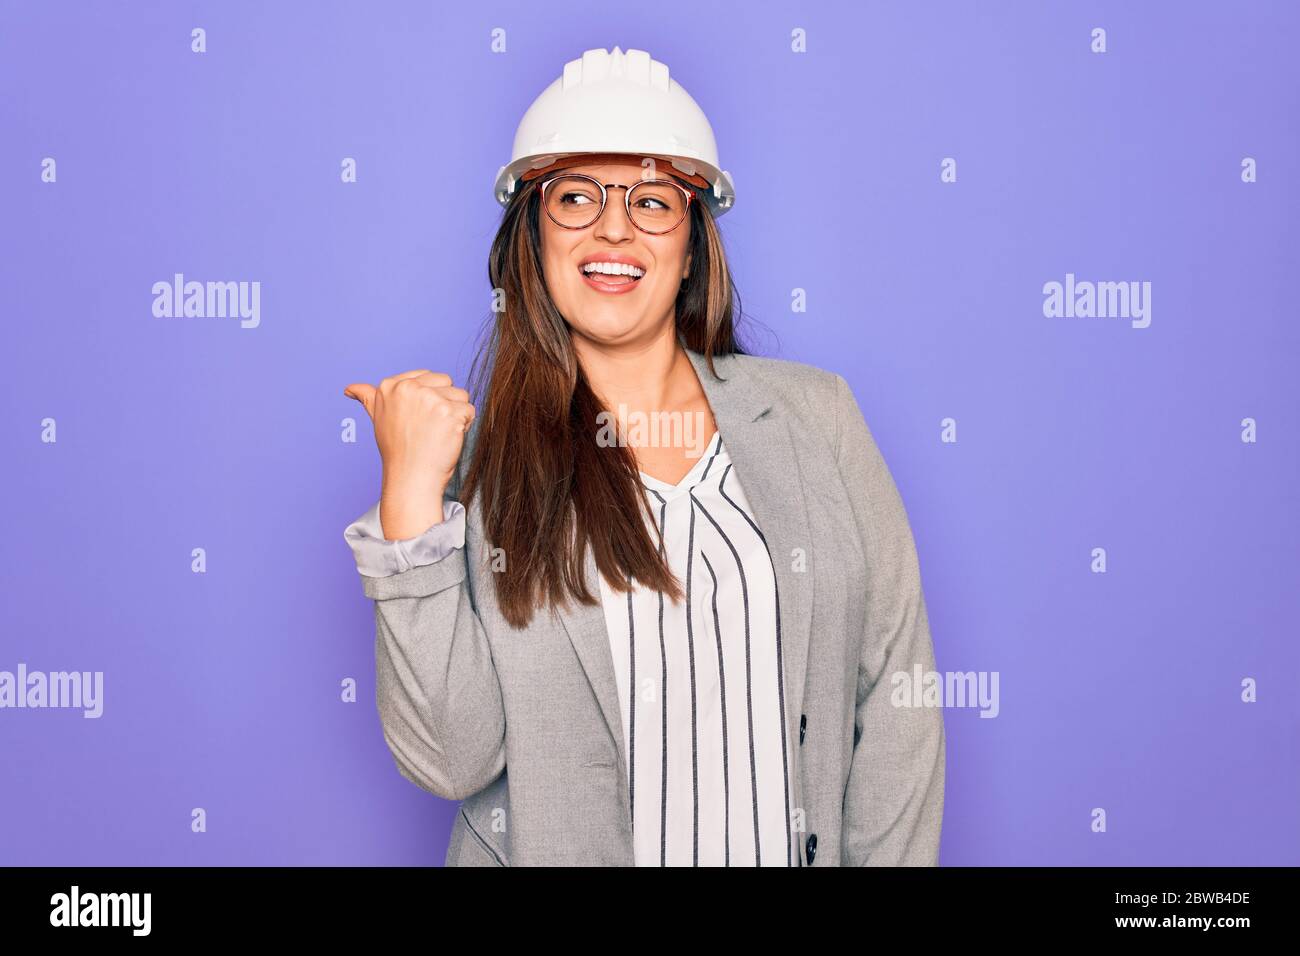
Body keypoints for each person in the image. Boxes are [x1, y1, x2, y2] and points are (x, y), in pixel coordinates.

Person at [342, 46, 944, 866]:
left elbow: (898, 705)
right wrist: (410, 499)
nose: (614, 226)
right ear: (532, 238)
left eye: (653, 200)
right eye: (577, 196)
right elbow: (454, 760)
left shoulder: (819, 417)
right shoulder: (474, 470)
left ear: (694, 245)